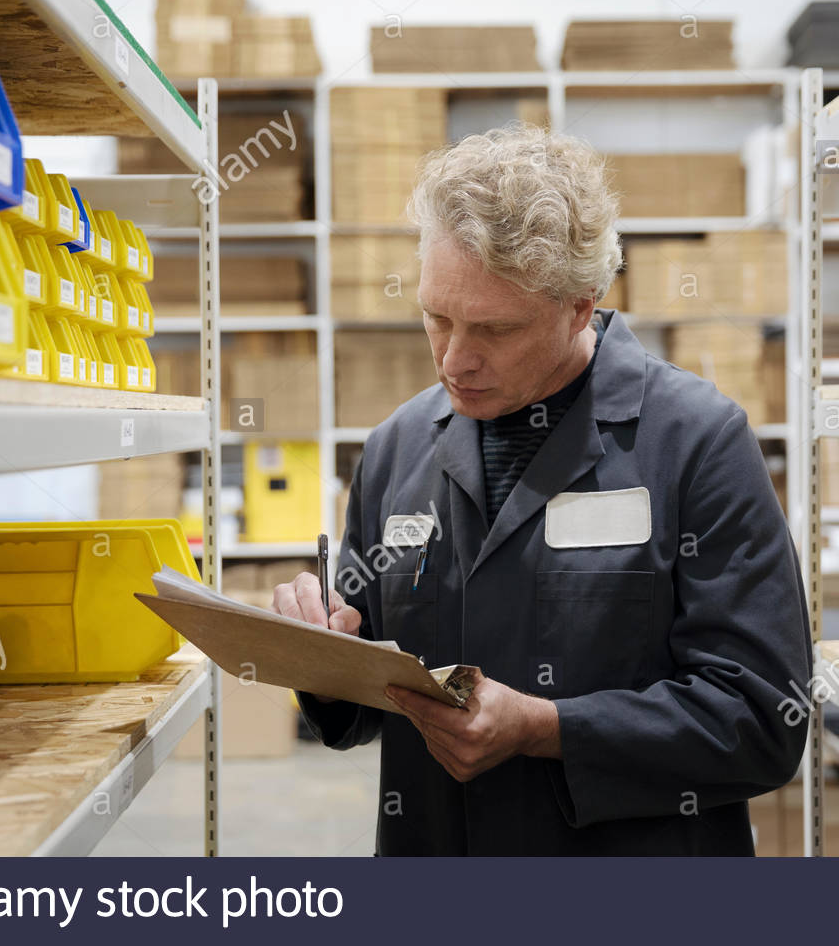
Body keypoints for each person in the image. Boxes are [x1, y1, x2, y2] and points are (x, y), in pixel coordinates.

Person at [271, 123, 811, 855]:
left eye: (494, 328)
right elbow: (374, 685)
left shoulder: (696, 443)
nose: (454, 360)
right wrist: (322, 659)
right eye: (437, 317)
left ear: (580, 305)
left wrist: (548, 730)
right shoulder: (397, 448)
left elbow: (761, 716)